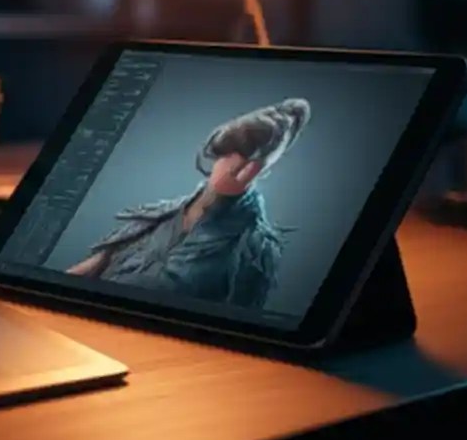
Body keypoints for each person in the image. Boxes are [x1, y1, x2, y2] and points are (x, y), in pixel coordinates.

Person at [65, 98, 311, 309]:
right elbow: (99, 263)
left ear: (255, 169)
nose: (224, 165)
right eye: (223, 154)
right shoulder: (161, 215)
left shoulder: (254, 249)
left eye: (236, 157)